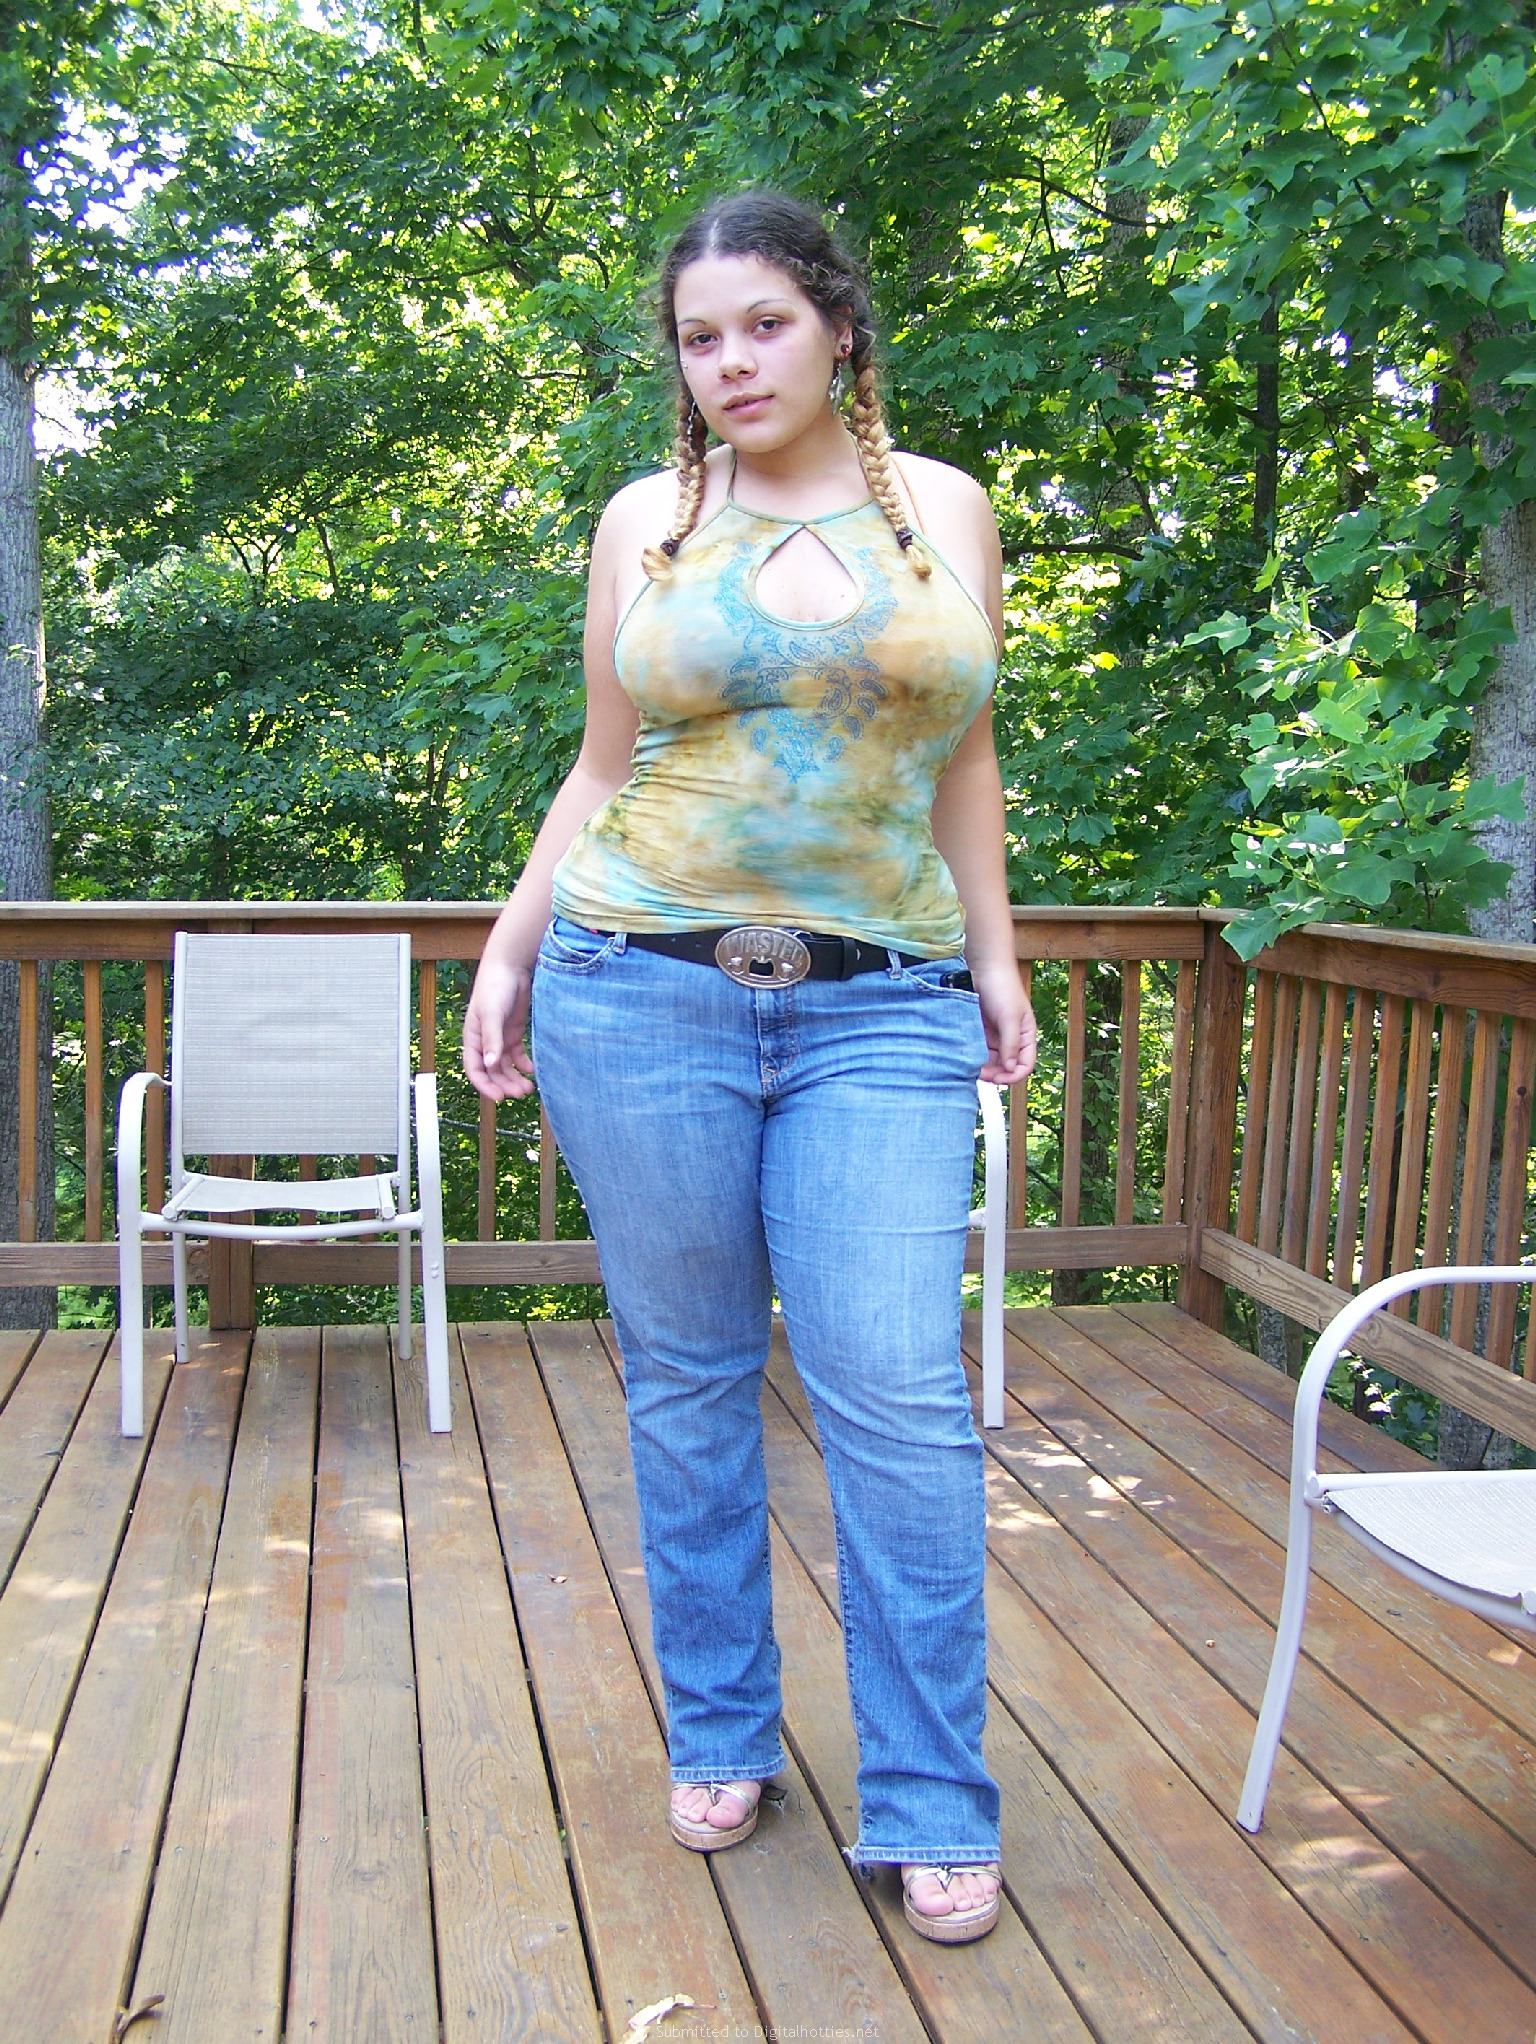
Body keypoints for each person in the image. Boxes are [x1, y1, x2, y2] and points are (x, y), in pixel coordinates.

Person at [463, 191, 1036, 1947]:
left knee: (899, 1394)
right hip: (637, 987)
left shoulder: (942, 509)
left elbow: (965, 759)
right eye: (700, 337)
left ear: (838, 326)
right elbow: (600, 764)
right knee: (691, 1377)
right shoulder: (649, 520)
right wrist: (507, 948)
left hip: (886, 1005)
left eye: (764, 324)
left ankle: (930, 1795)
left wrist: (996, 957)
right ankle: (720, 1731)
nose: (730, 362)